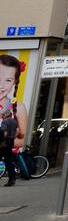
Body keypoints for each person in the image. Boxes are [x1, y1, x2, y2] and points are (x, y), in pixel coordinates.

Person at [0, 55, 27, 186]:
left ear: (15, 81)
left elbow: (22, 139)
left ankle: (11, 179)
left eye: (8, 80)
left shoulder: (18, 107)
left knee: (8, 162)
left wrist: (7, 139)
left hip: (6, 145)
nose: (1, 85)